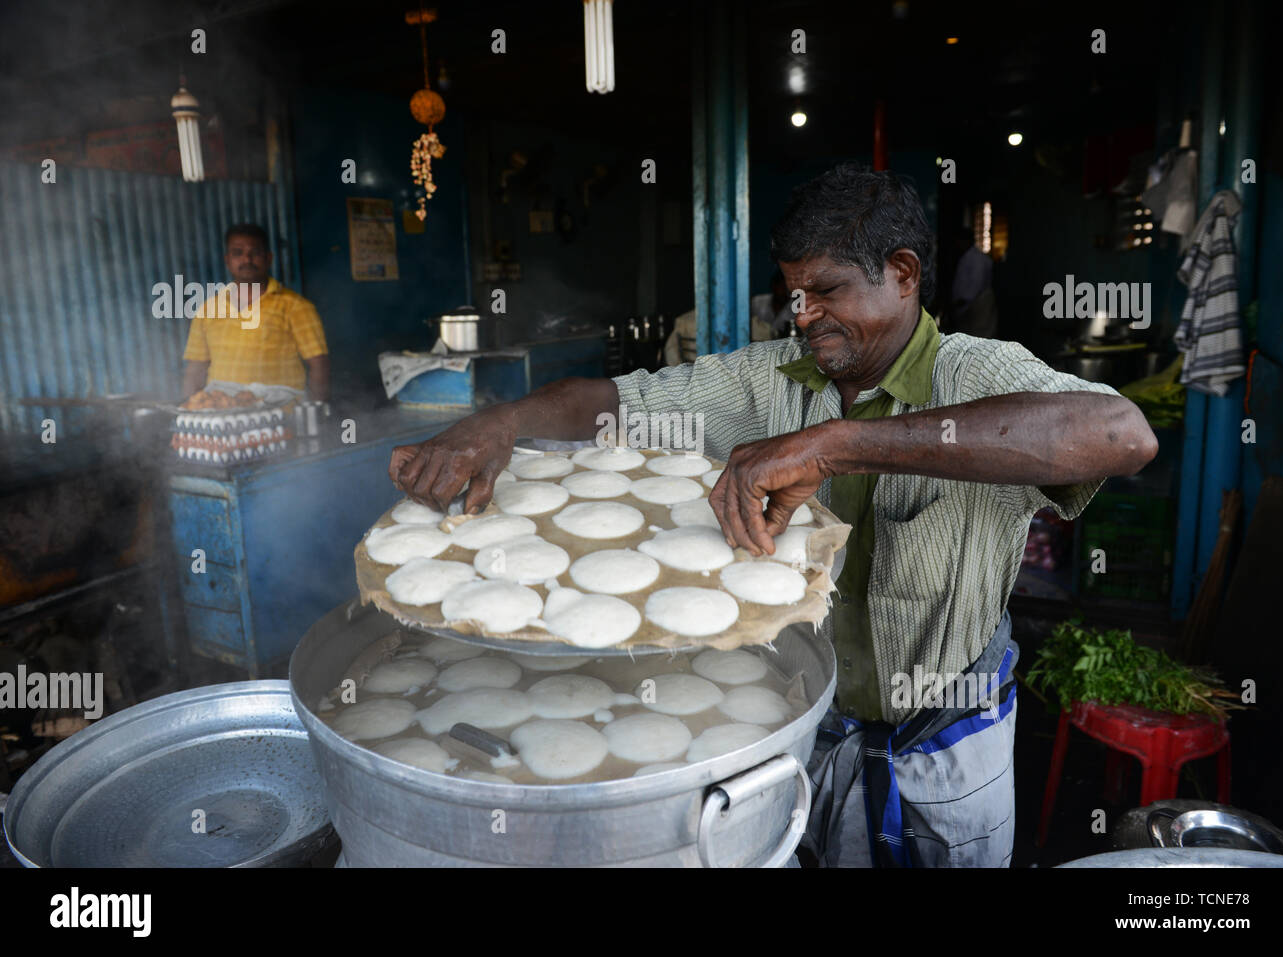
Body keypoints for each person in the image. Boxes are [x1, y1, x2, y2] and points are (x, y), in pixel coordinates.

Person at [387, 164, 1157, 867]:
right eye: (794, 294)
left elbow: (1122, 433)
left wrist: (837, 445)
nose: (805, 316)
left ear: (902, 275)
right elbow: (614, 403)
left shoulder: (975, 372)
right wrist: (502, 422)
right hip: (792, 741)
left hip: (940, 760)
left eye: (826, 291)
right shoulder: (767, 381)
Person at [181, 223, 330, 399]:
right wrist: (188, 410)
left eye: (255, 253)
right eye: (238, 253)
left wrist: (316, 413)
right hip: (222, 418)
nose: (247, 260)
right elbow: (196, 368)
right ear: (227, 261)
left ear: (268, 259)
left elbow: (318, 364)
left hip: (281, 418)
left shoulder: (296, 307)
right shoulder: (207, 310)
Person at [663, 273, 797, 365]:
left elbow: (671, 357)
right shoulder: (758, 321)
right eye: (781, 286)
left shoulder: (683, 322)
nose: (784, 291)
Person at [948, 226, 997, 338]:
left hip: (977, 304)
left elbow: (974, 286)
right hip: (969, 304)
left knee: (978, 337)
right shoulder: (967, 257)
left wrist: (961, 302)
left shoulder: (976, 259)